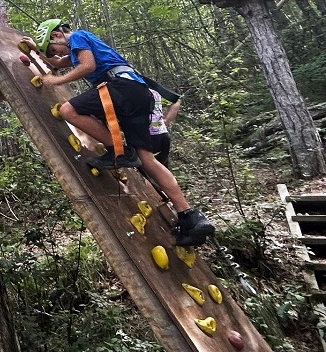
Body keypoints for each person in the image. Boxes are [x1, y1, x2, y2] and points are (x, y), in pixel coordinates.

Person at [31, 19, 214, 246]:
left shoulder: (78, 36)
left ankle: (118, 150)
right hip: (137, 94)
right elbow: (57, 62)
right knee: (147, 160)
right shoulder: (76, 50)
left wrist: (56, 82)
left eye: (52, 46)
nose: (54, 51)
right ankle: (189, 216)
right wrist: (35, 49)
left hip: (120, 88)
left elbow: (86, 66)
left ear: (58, 35)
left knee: (69, 110)